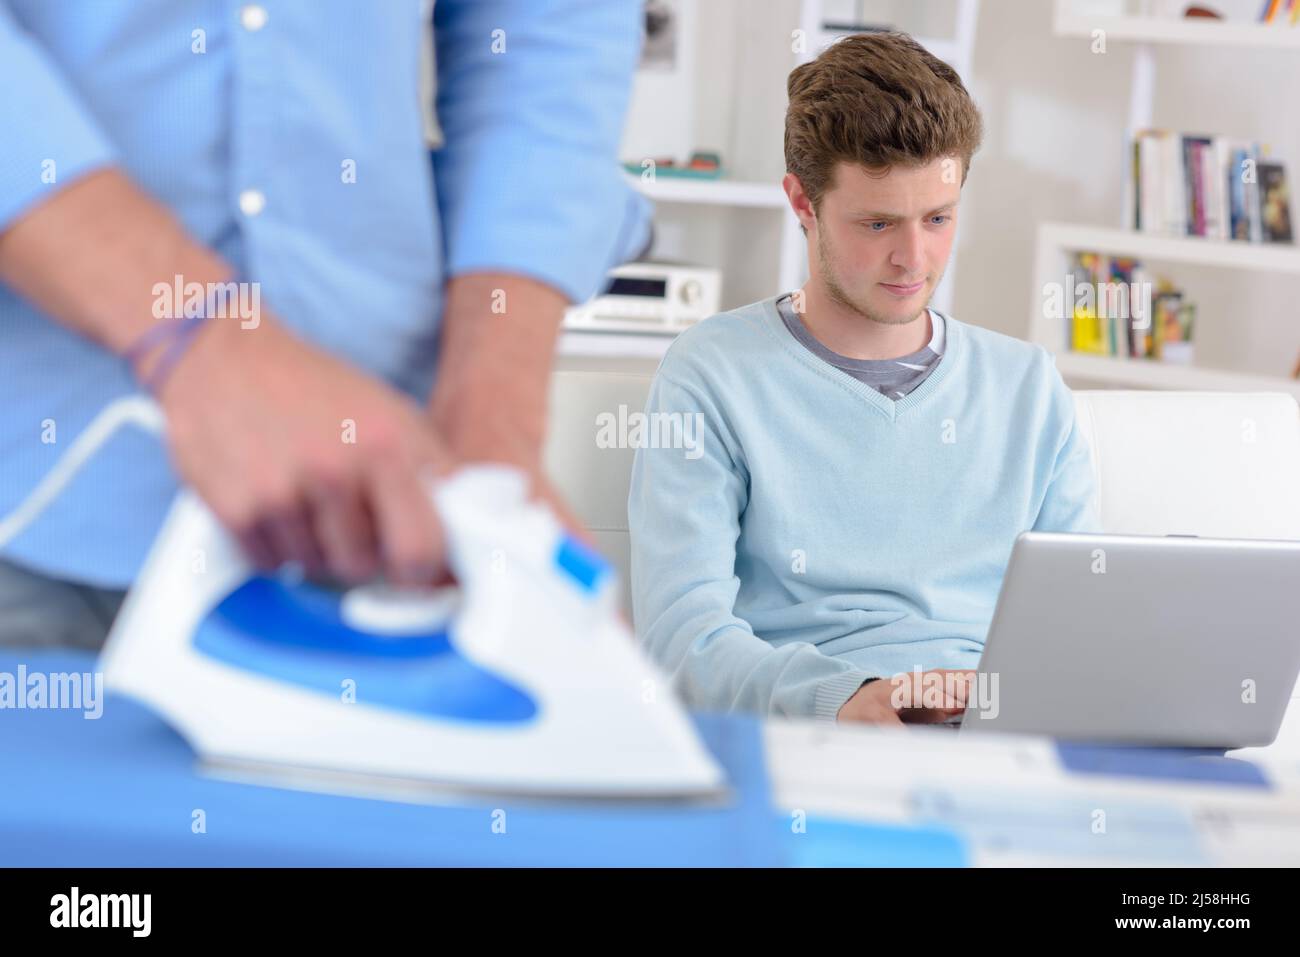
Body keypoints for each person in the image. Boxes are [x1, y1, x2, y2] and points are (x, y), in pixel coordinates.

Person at [0, 0, 651, 649]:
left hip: (386, 495)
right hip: (32, 496)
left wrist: (491, 432)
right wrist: (201, 338)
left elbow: (550, 30)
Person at [628, 31, 1101, 725]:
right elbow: (681, 637)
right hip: (813, 729)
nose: (914, 257)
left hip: (997, 731)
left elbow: (1080, 628)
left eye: (937, 219)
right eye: (878, 224)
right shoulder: (711, 374)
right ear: (803, 203)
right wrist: (842, 697)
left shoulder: (1028, 387)